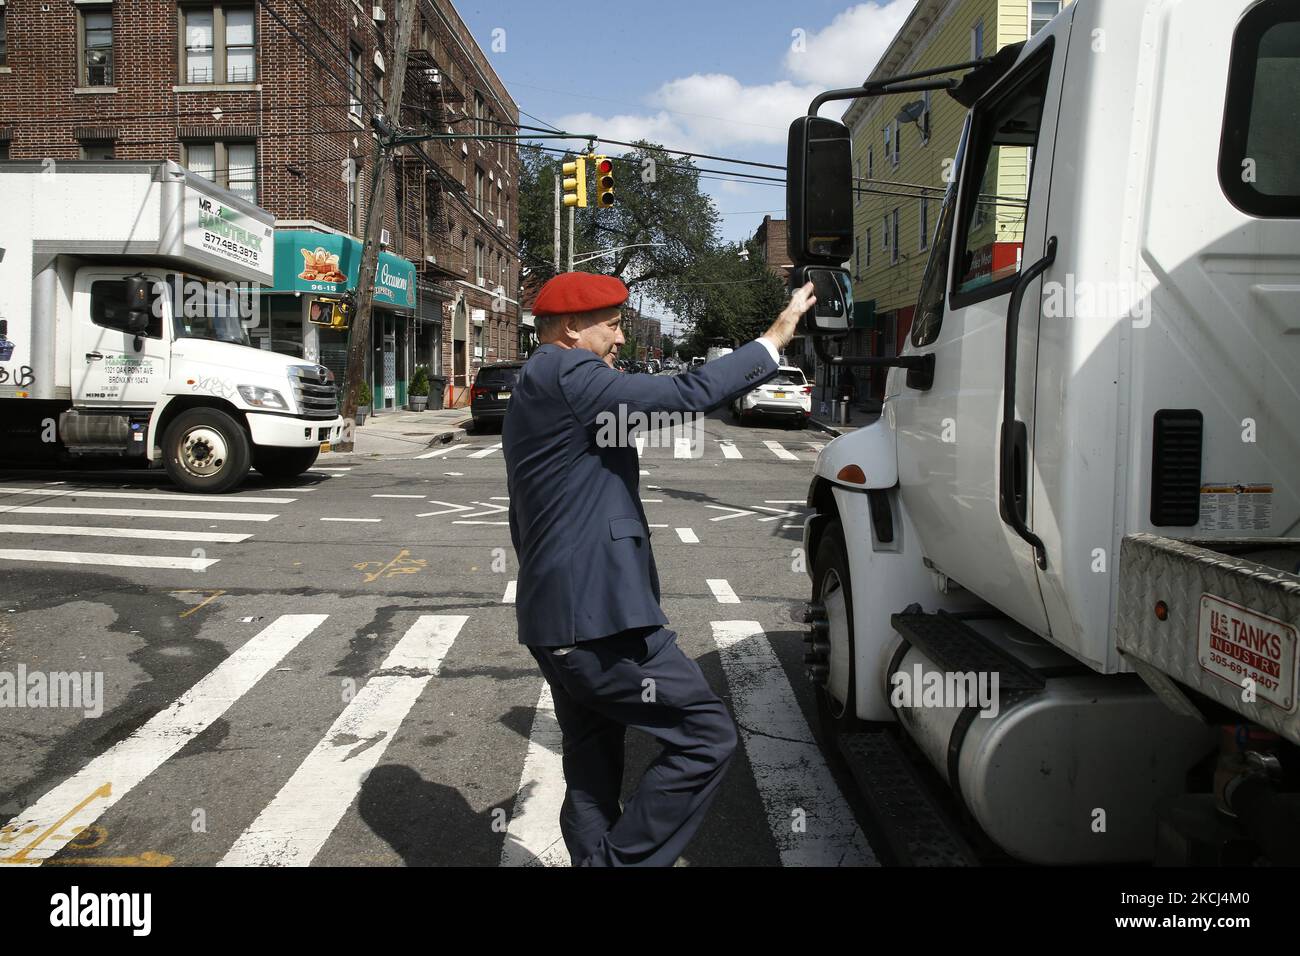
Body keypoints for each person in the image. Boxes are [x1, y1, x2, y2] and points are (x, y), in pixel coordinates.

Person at [502, 272, 816, 866]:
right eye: (613, 325)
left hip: (558, 619)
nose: (621, 338)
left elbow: (528, 515)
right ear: (571, 327)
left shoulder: (535, 382)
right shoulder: (570, 373)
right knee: (706, 736)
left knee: (592, 765)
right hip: (597, 622)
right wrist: (773, 341)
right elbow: (684, 393)